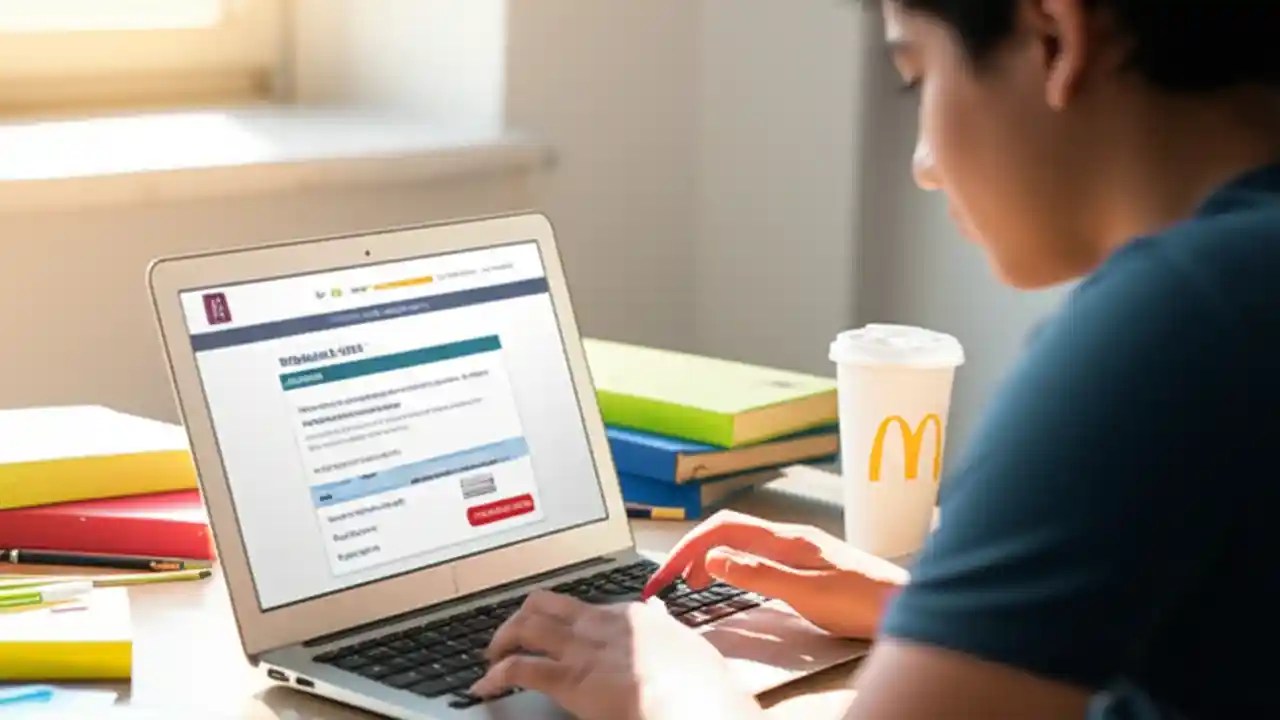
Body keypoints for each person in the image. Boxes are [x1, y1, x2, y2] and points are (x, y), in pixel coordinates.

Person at [471, 0, 1280, 717]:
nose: (925, 164)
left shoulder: (1175, 324)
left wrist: (669, 687)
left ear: (1053, 36)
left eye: (915, 76)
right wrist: (936, 613)